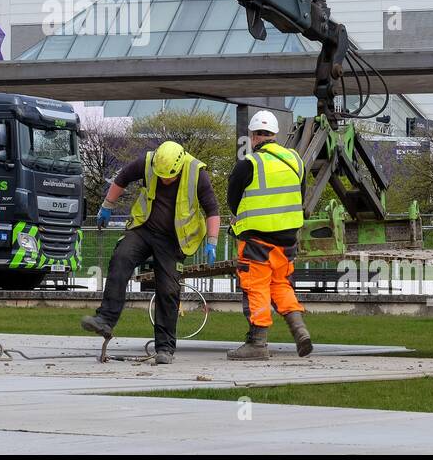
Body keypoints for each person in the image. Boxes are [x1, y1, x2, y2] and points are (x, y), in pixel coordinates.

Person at [81, 141, 221, 364]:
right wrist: (107, 205)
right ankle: (105, 319)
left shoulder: (197, 172)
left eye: (170, 177)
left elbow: (212, 210)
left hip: (173, 239)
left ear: (180, 166)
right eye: (161, 175)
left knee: (168, 290)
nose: (165, 180)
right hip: (144, 228)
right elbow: (122, 178)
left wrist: (212, 241)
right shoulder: (148, 162)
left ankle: (165, 348)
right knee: (120, 259)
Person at [225, 110, 313, 360]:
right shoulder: (295, 160)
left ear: (253, 137)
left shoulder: (249, 163)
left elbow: (232, 199)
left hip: (257, 240)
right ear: (275, 134)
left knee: (256, 286)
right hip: (287, 240)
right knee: (281, 284)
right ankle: (300, 331)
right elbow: (301, 195)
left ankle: (257, 343)